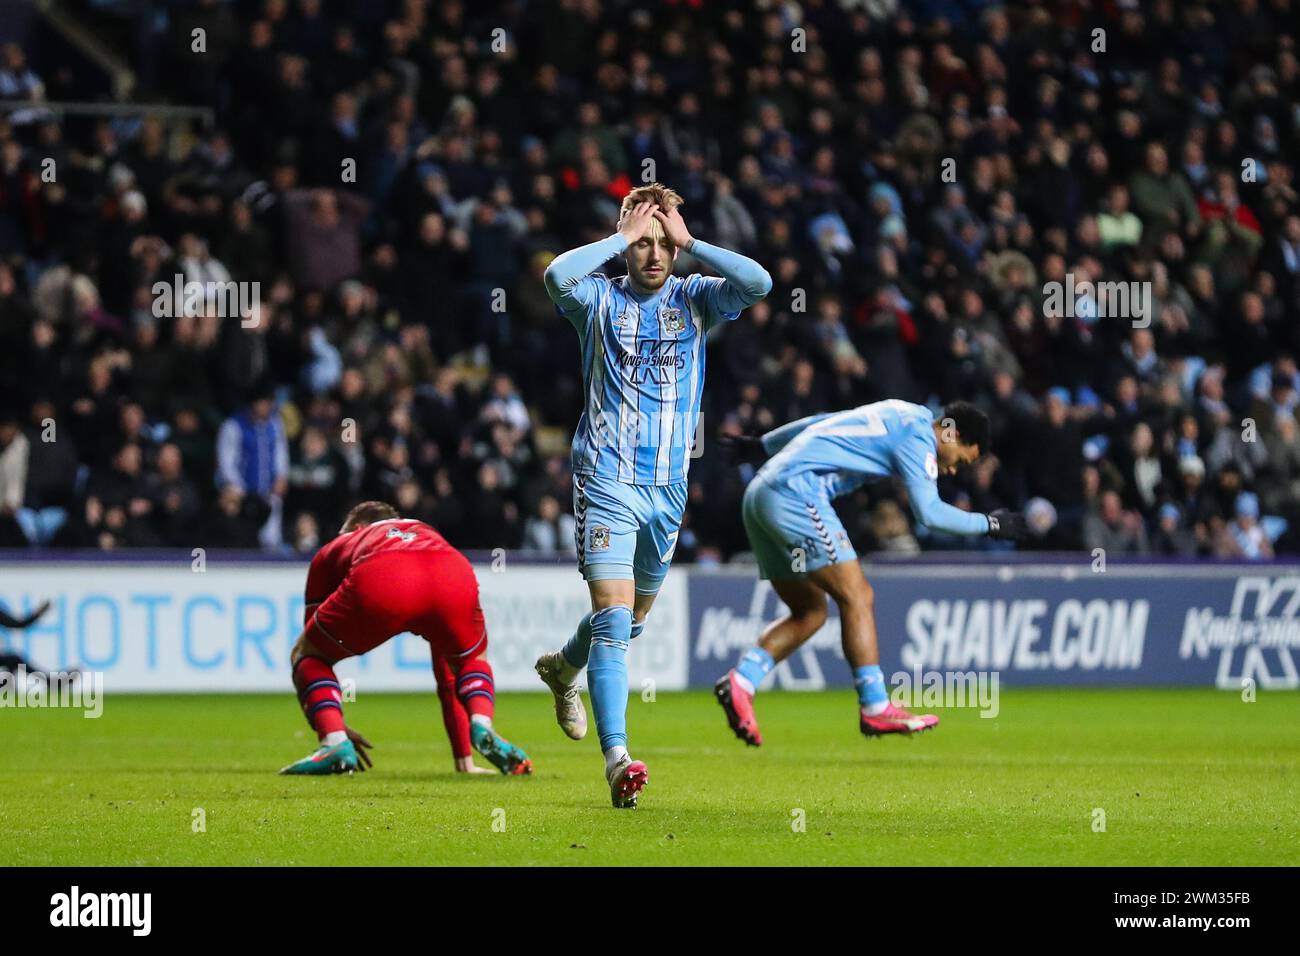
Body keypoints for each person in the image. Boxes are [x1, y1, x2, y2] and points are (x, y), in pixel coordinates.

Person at [532, 182, 771, 808]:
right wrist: (621, 236)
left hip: (668, 489)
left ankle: (562, 669)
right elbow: (556, 276)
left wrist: (693, 242)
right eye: (645, 243)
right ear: (626, 244)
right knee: (613, 621)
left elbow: (760, 284)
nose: (656, 253)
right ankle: (618, 760)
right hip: (606, 480)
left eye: (665, 243)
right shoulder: (598, 301)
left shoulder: (696, 299)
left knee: (630, 624)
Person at [715, 400, 1026, 746]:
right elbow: (930, 513)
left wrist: (763, 445)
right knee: (858, 596)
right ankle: (876, 704)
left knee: (810, 612)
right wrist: (990, 523)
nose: (953, 470)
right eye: (962, 460)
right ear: (952, 434)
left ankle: (742, 681)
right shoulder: (919, 438)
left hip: (760, 496)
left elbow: (823, 420)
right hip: (797, 497)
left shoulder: (899, 411)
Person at [279, 501, 532, 776]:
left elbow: (313, 649)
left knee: (306, 654)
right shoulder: (424, 531)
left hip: (382, 576)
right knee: (470, 660)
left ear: (356, 527)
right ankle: (482, 722)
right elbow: (447, 676)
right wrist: (463, 759)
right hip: (451, 570)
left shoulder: (344, 543)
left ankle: (333, 744)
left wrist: (328, 724)